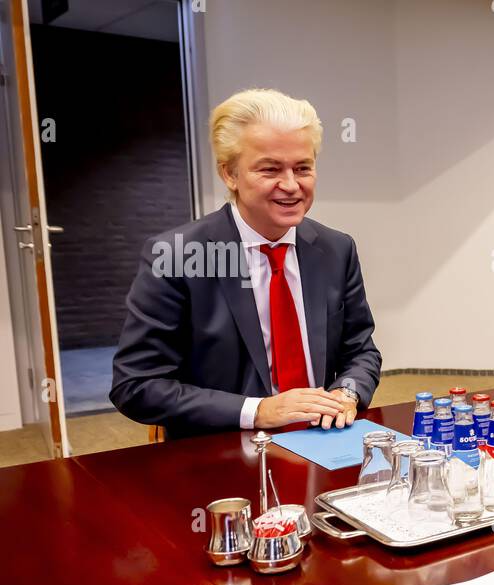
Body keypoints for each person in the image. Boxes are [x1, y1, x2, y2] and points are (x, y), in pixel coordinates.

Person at [111, 88, 381, 438]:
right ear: (230, 175)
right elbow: (136, 385)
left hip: (323, 442)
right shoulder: (177, 255)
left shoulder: (336, 248)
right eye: (269, 169)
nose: (290, 185)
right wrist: (257, 411)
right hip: (223, 451)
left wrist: (347, 392)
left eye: (303, 168)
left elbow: (361, 351)